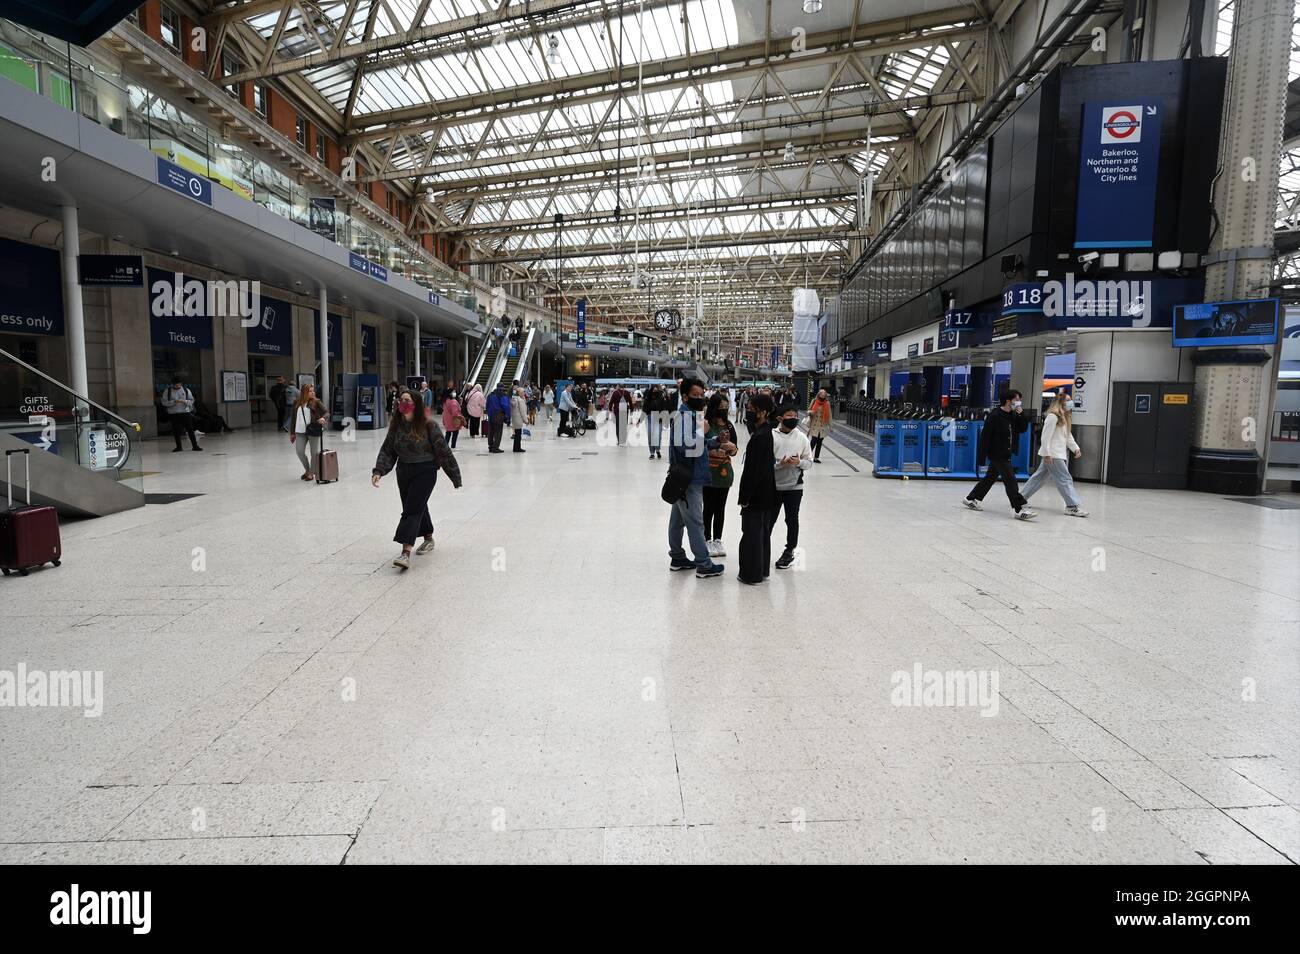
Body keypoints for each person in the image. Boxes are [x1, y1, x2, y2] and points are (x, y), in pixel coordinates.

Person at [371, 389, 462, 570]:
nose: (402, 403)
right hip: (404, 470)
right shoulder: (396, 425)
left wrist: (455, 476)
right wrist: (379, 470)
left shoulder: (429, 425)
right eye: (401, 400)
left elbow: (443, 452)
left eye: (407, 400)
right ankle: (428, 538)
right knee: (416, 505)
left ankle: (405, 552)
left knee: (411, 509)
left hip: (425, 470)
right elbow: (388, 449)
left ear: (416, 404)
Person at [667, 377, 723, 579]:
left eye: (702, 395)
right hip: (689, 478)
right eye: (695, 395)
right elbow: (686, 447)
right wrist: (702, 432)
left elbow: (698, 444)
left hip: (684, 476)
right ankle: (703, 564)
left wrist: (715, 442)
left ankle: (677, 557)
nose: (700, 398)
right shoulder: (684, 417)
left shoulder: (693, 415)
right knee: (696, 522)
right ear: (685, 396)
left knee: (677, 520)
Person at [964, 388, 1036, 520]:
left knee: (990, 478)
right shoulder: (994, 416)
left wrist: (1021, 415)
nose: (1019, 402)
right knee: (1010, 480)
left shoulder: (1014, 415)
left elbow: (1023, 429)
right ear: (1008, 401)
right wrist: (982, 457)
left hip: (1007, 452)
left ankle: (971, 498)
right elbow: (985, 437)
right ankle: (1019, 509)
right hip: (997, 453)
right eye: (1017, 400)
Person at [1020, 392, 1089, 516]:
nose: (1070, 402)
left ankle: (1019, 499)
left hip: (1055, 454)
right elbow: (1045, 437)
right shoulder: (1053, 417)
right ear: (1060, 402)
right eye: (1068, 400)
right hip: (1053, 454)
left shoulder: (1064, 417)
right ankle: (1072, 506)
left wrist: (1075, 448)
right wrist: (1047, 454)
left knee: (1039, 478)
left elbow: (1068, 436)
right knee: (1065, 479)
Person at [736, 393, 777, 584]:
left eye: (752, 410)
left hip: (756, 494)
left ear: (763, 412)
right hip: (766, 492)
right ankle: (761, 570)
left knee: (751, 533)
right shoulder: (765, 433)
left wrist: (744, 497)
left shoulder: (760, 437)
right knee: (761, 533)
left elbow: (753, 472)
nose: (748, 412)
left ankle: (750, 573)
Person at [771, 405, 813, 569]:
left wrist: (798, 463)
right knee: (769, 519)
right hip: (773, 486)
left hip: (794, 486)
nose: (793, 418)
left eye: (795, 415)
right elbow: (764, 463)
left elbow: (808, 462)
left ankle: (789, 550)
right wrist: (779, 464)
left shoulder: (801, 438)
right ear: (780, 418)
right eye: (789, 416)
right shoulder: (771, 436)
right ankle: (762, 547)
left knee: (792, 519)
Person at [703, 392, 739, 558]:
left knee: (720, 508)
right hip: (708, 472)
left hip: (724, 473)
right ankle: (707, 539)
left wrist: (731, 448)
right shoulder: (706, 425)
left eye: (726, 408)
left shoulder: (729, 426)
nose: (723, 411)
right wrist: (713, 449)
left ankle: (718, 539)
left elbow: (735, 450)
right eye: (720, 408)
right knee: (708, 508)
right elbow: (699, 446)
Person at [288, 383, 327, 481]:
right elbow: (293, 418)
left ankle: (311, 473)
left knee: (314, 453)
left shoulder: (316, 402)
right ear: (304, 392)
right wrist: (292, 432)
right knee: (299, 451)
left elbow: (327, 412)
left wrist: (323, 418)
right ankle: (308, 469)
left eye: (313, 390)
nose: (313, 392)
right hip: (299, 431)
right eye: (310, 391)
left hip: (313, 429)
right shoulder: (297, 402)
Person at [161, 376, 203, 452]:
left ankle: (195, 446)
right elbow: (164, 402)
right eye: (176, 385)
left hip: (185, 413)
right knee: (176, 431)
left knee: (190, 430)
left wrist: (185, 401)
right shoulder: (167, 391)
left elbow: (192, 400)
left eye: (179, 384)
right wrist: (174, 402)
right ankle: (179, 447)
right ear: (172, 384)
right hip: (174, 414)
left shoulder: (186, 390)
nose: (178, 386)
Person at [807, 389, 832, 463]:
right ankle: (807, 456)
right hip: (815, 424)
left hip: (823, 425)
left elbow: (829, 415)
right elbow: (809, 410)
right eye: (822, 394)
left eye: (824, 394)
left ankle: (816, 458)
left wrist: (830, 426)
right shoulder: (814, 401)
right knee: (813, 441)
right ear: (819, 394)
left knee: (820, 442)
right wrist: (810, 412)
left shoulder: (827, 403)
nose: (823, 395)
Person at [485, 382, 510, 453]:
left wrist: (489, 413)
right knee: (498, 432)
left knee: (490, 432)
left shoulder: (490, 395)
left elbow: (487, 405)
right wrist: (507, 415)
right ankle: (496, 447)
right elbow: (505, 406)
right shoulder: (503, 395)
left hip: (491, 415)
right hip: (499, 415)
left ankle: (490, 447)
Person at [644, 384, 665, 459]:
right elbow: (644, 408)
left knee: (658, 435)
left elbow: (663, 408)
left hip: (658, 418)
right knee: (650, 436)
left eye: (656, 390)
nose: (655, 392)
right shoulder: (648, 398)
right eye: (654, 390)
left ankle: (658, 450)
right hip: (650, 417)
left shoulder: (661, 398)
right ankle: (652, 453)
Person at [511, 385, 529, 453]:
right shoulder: (520, 400)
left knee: (517, 434)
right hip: (519, 419)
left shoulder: (515, 398)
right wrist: (526, 420)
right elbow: (522, 411)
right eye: (523, 392)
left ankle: (516, 447)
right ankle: (517, 448)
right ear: (520, 393)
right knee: (518, 435)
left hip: (515, 418)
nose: (524, 393)